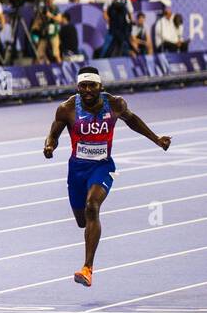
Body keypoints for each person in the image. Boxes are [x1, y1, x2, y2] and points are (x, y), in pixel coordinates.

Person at [42, 67, 171, 286]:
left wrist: (156, 139)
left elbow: (132, 121)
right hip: (76, 170)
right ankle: (88, 243)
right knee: (82, 221)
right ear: (78, 88)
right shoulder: (67, 109)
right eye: (83, 86)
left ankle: (87, 268)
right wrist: (49, 146)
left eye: (92, 85)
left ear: (101, 86)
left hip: (102, 167)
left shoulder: (115, 104)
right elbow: (53, 134)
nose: (88, 90)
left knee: (92, 206)